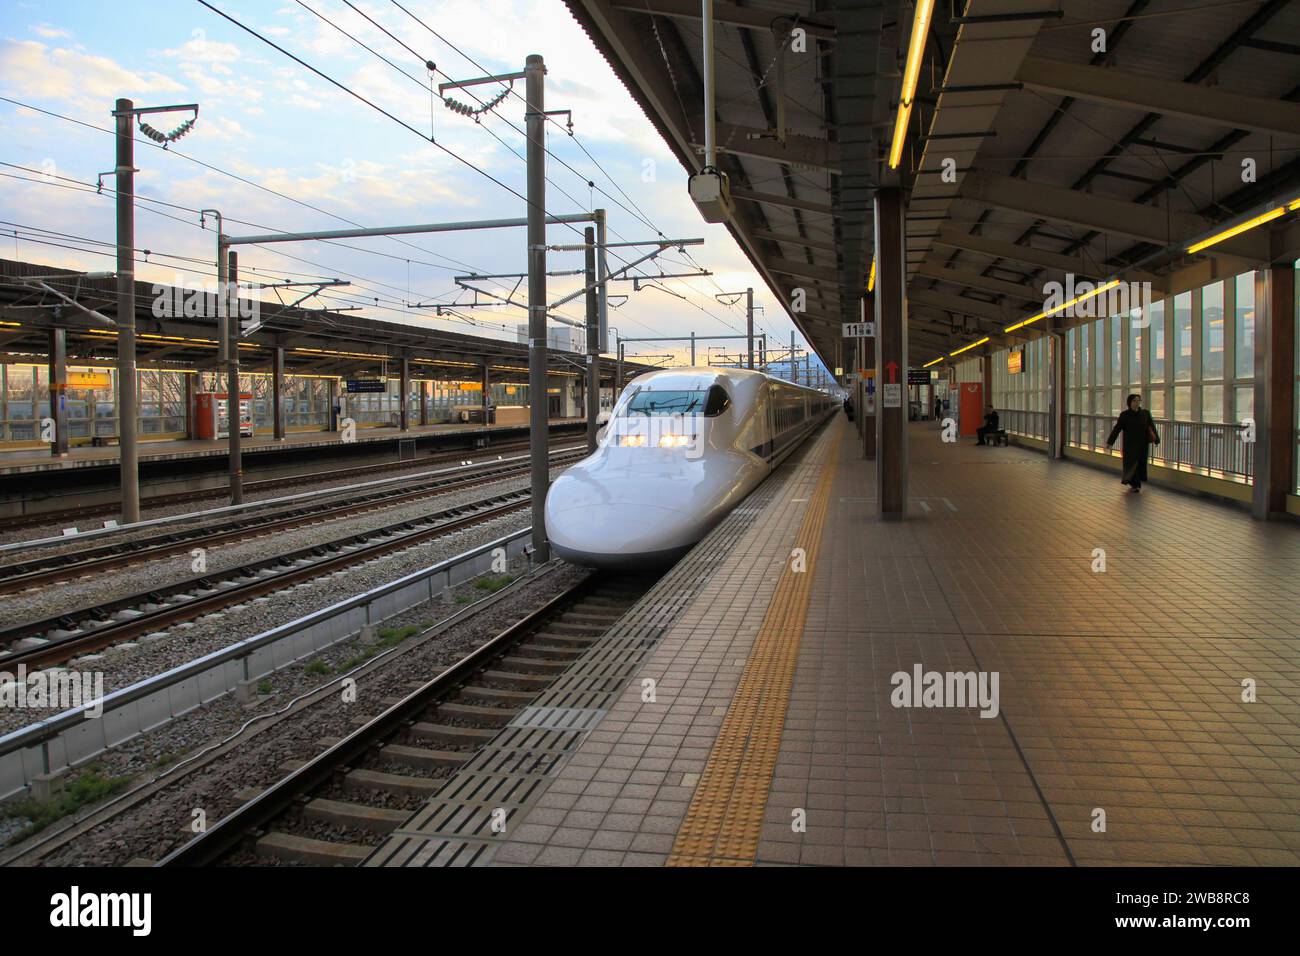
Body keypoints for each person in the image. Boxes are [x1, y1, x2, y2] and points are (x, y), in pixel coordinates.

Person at [1106, 394, 1159, 492]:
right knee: (1131, 464)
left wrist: (1156, 439)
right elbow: (1117, 429)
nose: (1137, 403)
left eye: (1139, 400)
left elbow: (1151, 427)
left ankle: (1135, 483)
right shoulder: (1125, 415)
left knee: (1140, 463)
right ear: (1129, 402)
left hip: (1143, 444)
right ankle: (1135, 484)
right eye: (1134, 401)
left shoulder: (1145, 414)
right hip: (1130, 445)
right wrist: (1110, 442)